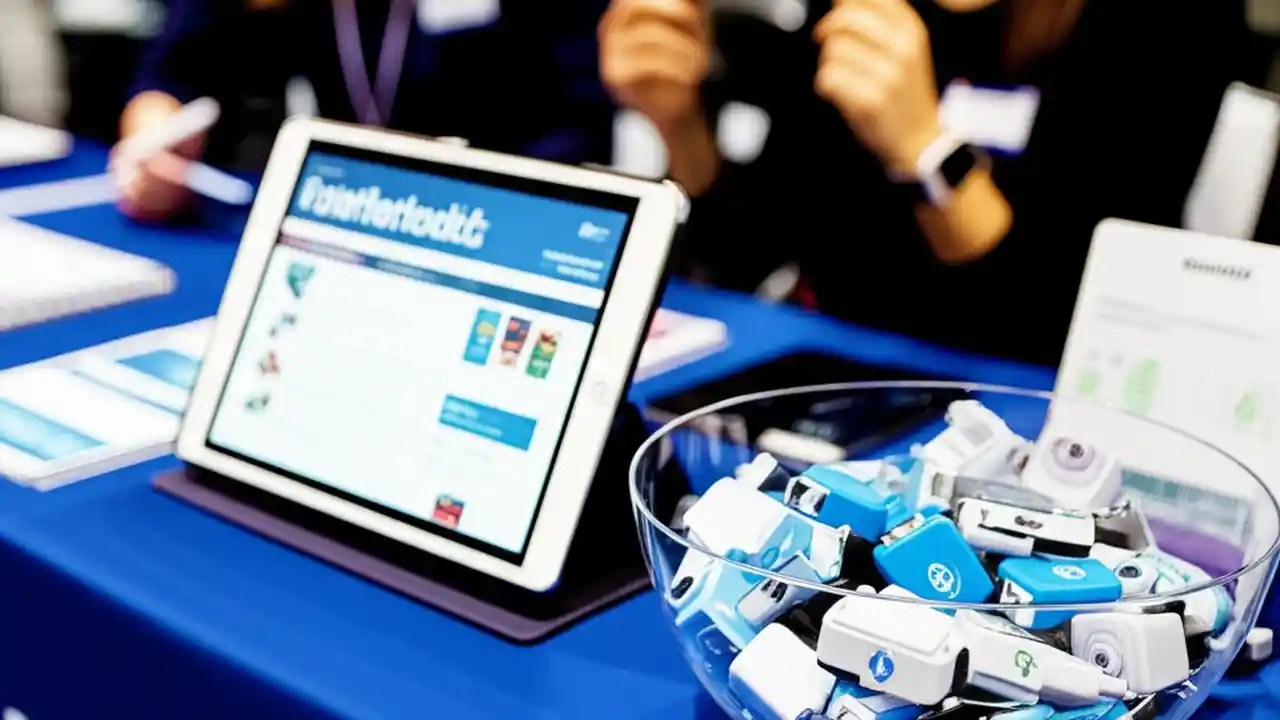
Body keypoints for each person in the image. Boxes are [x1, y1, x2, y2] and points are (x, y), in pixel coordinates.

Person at [599, 0, 1270, 364]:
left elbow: (1067, 339)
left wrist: (928, 156)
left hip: (1025, 421)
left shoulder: (1168, 22)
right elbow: (760, 258)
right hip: (840, 388)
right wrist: (679, 123)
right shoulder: (859, 12)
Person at [114, 0, 611, 221]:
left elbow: (577, 126)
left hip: (493, 214)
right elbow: (168, 74)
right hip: (343, 212)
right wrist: (155, 142)